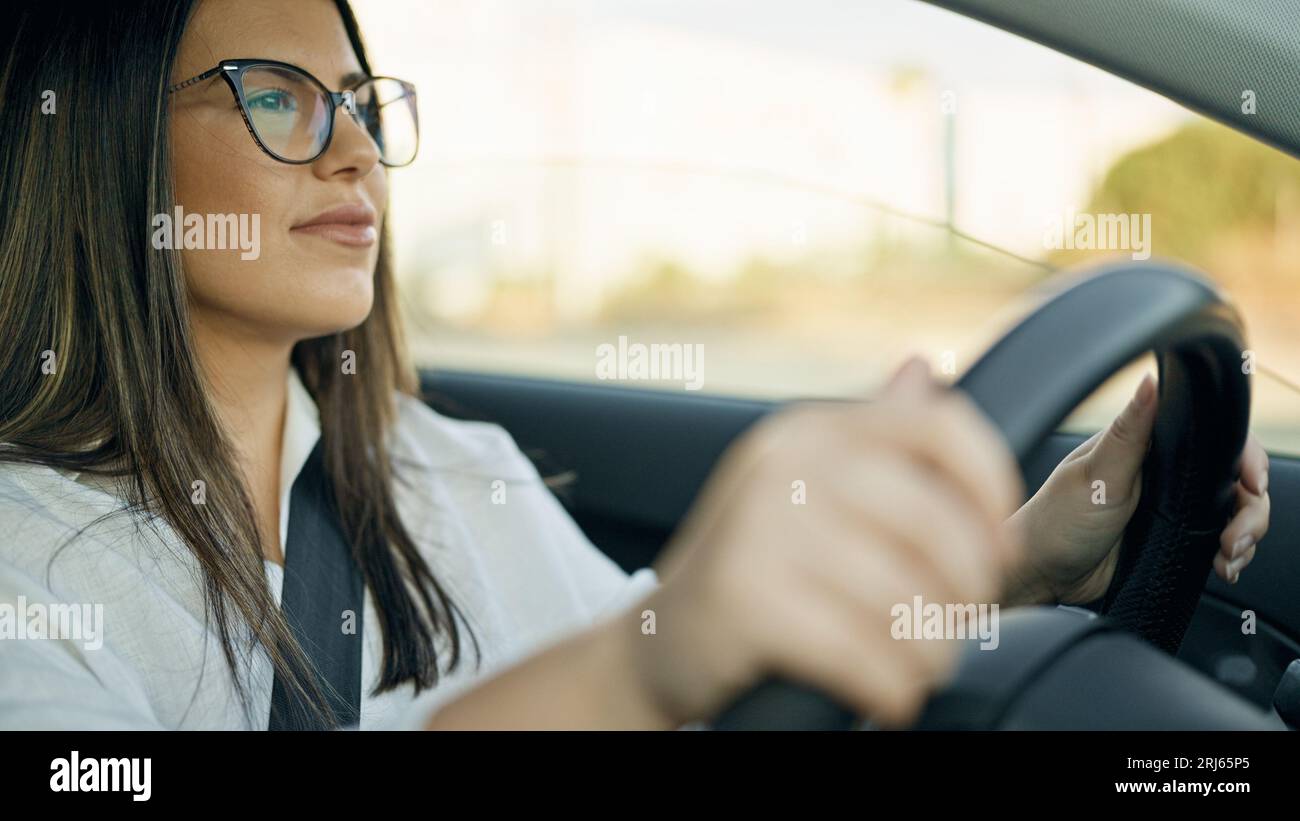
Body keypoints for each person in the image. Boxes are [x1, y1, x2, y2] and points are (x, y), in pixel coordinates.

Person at [0, 0, 1269, 730]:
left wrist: (1028, 554)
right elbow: (650, 658)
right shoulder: (27, 565)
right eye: (278, 96)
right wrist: (630, 674)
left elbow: (698, 648)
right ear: (103, 139)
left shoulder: (448, 466)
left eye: (365, 101)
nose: (355, 152)